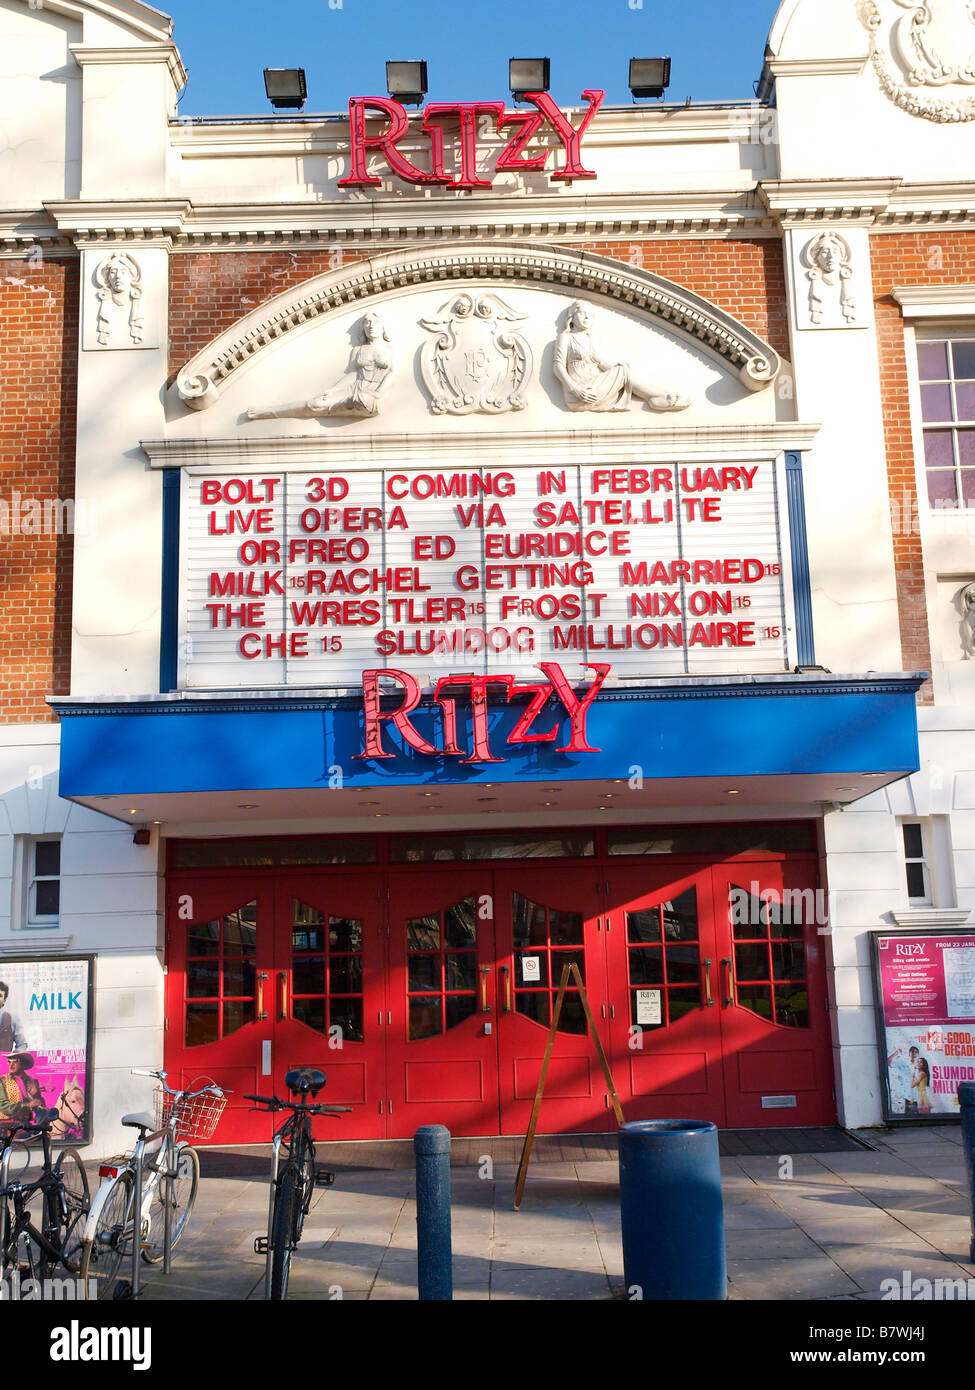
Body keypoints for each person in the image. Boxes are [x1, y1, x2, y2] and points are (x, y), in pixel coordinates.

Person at [248, 312, 394, 421]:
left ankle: (353, 402)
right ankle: (268, 411)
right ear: (363, 328)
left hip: (371, 395)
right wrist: (332, 390)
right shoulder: (358, 350)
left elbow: (391, 372)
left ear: (383, 326)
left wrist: (380, 393)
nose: (371, 326)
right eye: (367, 323)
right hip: (355, 388)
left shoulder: (389, 349)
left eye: (375, 322)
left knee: (360, 399)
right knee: (313, 404)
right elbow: (352, 374)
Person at [553, 301, 691, 414]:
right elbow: (557, 366)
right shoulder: (566, 338)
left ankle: (661, 396)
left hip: (595, 384)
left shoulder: (592, 340)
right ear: (572, 316)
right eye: (582, 313)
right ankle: (661, 397)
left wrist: (620, 370)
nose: (587, 317)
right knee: (623, 371)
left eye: (590, 315)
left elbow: (600, 362)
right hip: (579, 392)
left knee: (623, 369)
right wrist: (575, 389)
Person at [0, 1051, 43, 1121]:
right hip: (5, 1124)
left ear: (23, 1063)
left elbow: (38, 1104)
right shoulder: (2, 1081)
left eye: (15, 1061)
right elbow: (2, 1105)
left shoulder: (33, 1082)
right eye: (9, 1062)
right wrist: (27, 1105)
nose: (11, 1065)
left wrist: (41, 1108)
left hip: (26, 1124)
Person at [0, 982, 28, 1054]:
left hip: (4, 1063)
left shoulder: (13, 1020)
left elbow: (22, 1044)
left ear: (4, 1000)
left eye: (0, 995)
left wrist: (13, 1057)